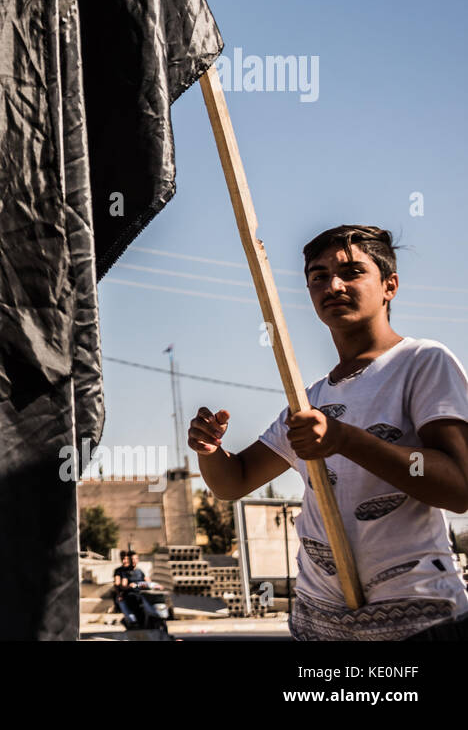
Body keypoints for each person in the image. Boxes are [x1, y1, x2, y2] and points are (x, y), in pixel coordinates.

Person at [189, 225, 468, 640]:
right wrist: (210, 450)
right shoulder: (311, 398)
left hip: (417, 616)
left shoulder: (422, 362)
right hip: (320, 621)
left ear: (389, 285)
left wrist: (345, 440)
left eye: (352, 271)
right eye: (318, 276)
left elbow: (458, 489)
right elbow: (235, 481)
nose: (333, 285)